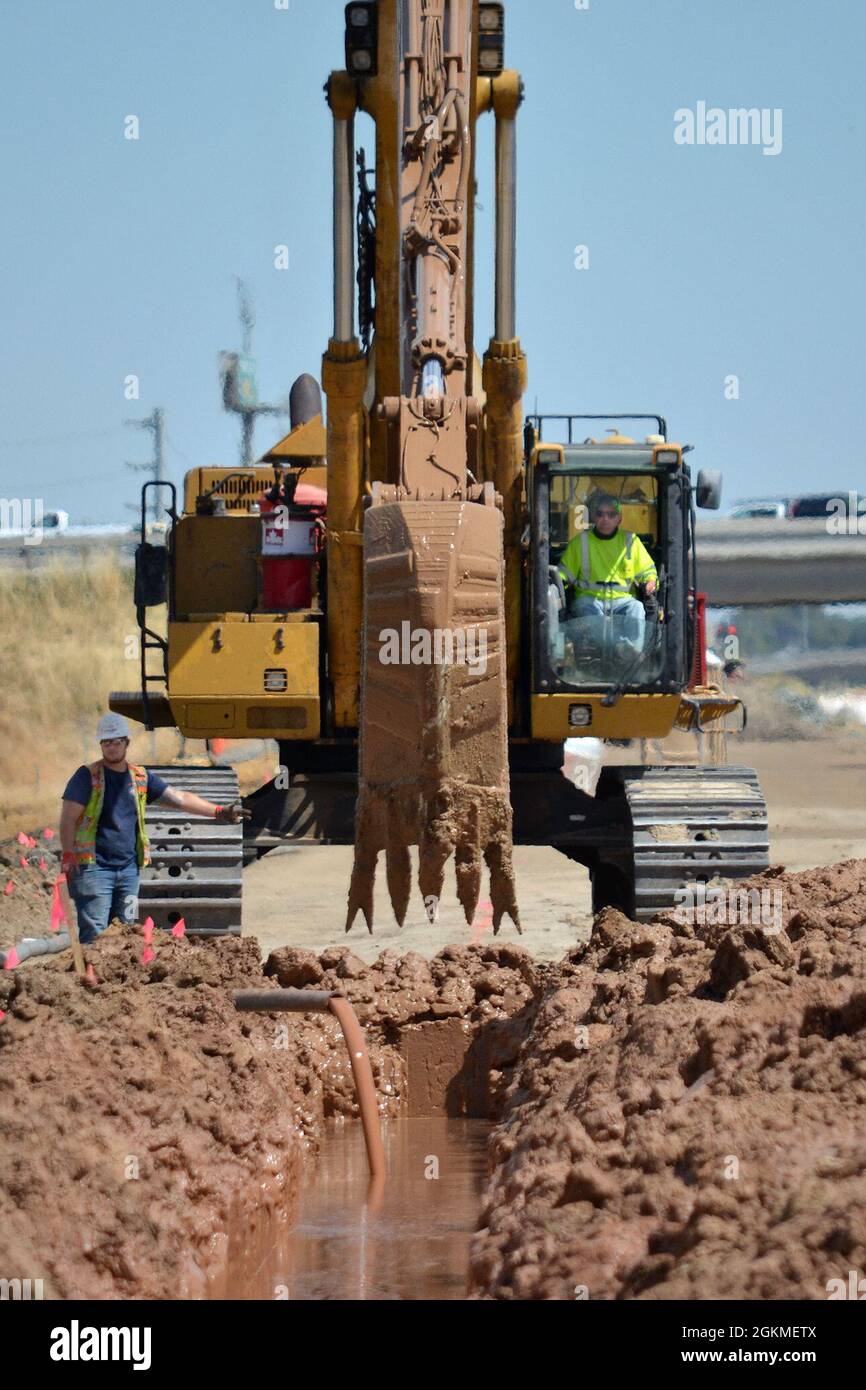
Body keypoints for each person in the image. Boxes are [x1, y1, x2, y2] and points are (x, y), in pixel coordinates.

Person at [60, 714, 247, 945]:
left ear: (126, 743)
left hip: (128, 869)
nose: (111, 746)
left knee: (124, 934)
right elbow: (68, 818)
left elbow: (179, 798)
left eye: (116, 741)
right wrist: (68, 854)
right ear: (101, 745)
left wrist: (218, 811)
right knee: (94, 934)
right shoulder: (87, 776)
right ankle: (90, 978)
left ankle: (116, 981)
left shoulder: (139, 777)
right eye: (106, 742)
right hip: (94, 869)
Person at [558, 493, 659, 661]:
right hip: (590, 599)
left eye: (611, 514)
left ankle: (631, 652)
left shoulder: (630, 541)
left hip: (622, 601)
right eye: (600, 514)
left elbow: (648, 571)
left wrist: (649, 582)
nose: (605, 519)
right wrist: (558, 584)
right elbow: (563, 574)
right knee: (587, 610)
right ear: (593, 517)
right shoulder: (580, 542)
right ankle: (621, 647)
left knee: (636, 608)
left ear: (619, 518)